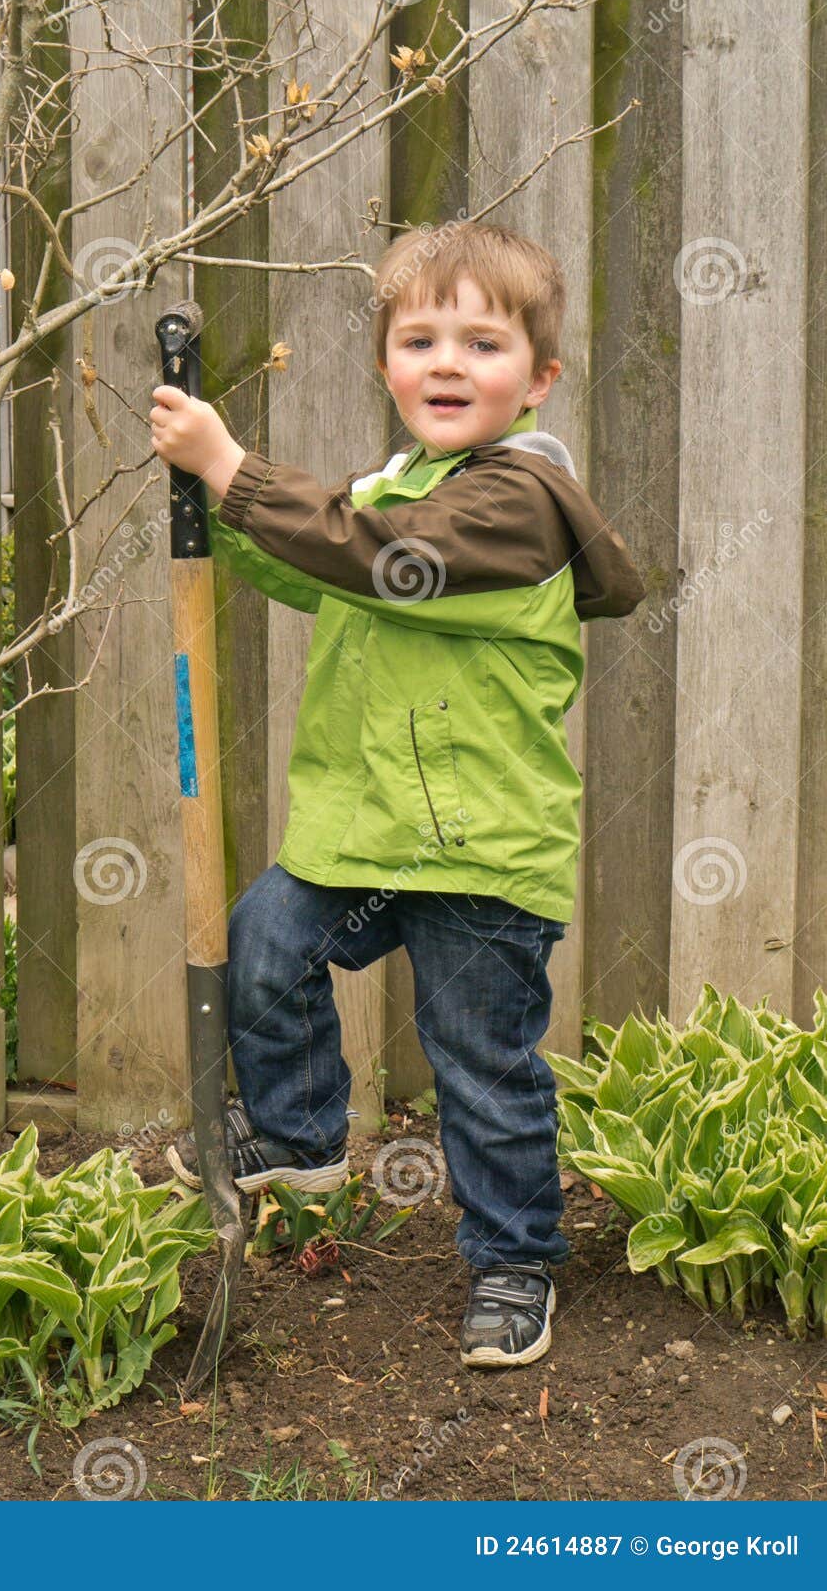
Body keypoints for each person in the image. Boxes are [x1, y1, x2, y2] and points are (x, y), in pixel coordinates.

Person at [149, 220, 646, 1367]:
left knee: (480, 1065)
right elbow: (323, 560)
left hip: (476, 850)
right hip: (362, 833)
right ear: (385, 365)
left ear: (539, 376)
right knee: (264, 945)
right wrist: (222, 510)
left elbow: (377, 557)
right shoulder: (398, 489)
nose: (446, 363)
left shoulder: (517, 504)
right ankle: (297, 1126)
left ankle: (514, 1259)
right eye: (419, 339)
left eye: (482, 342)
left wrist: (235, 469)